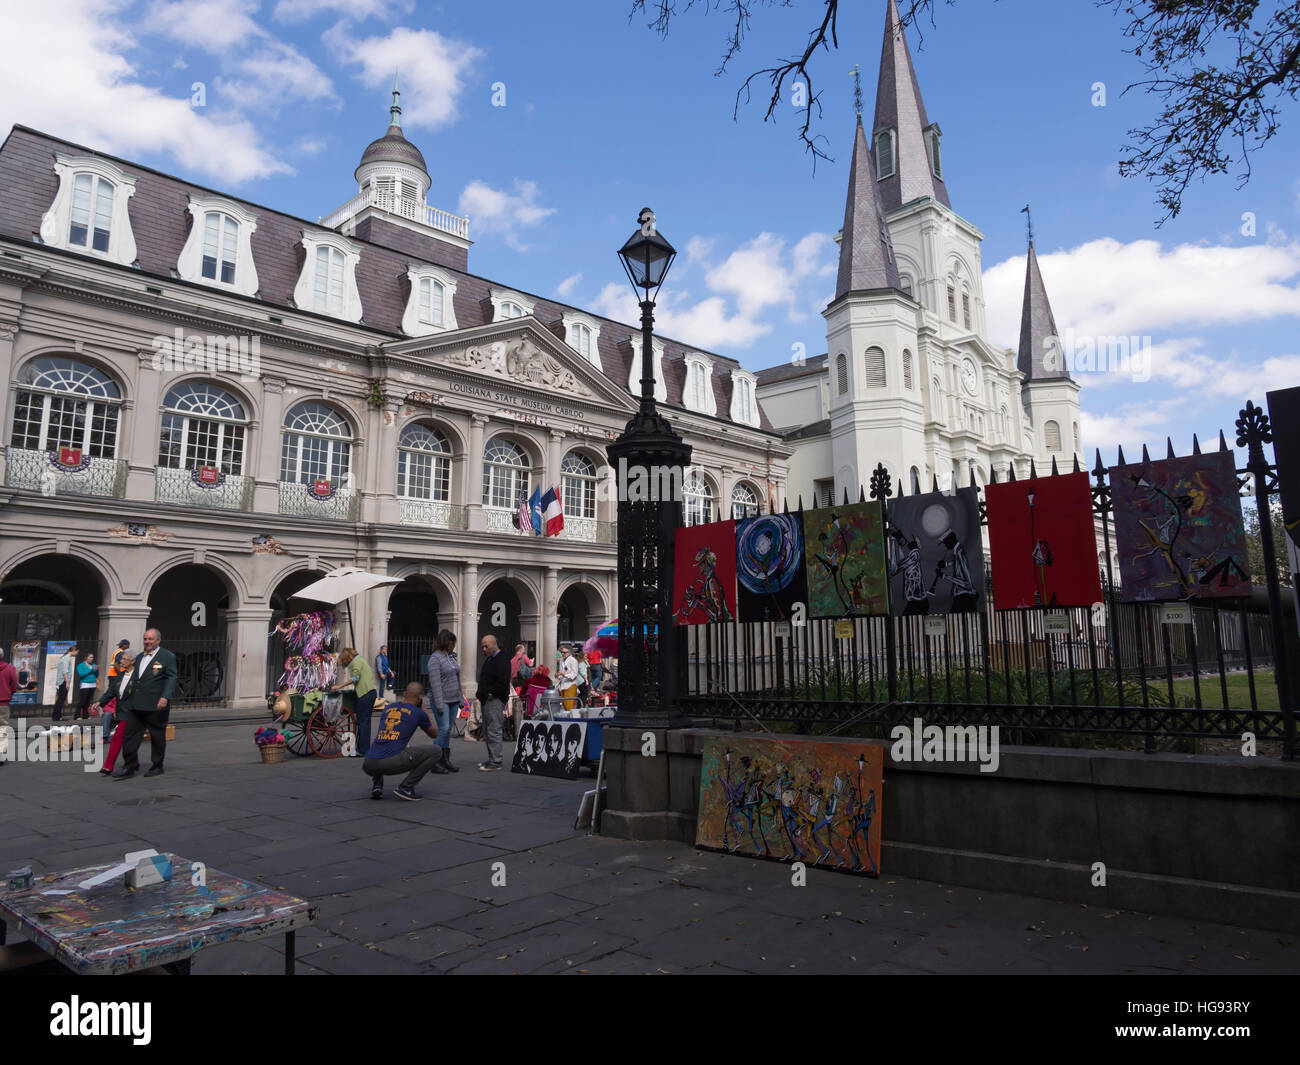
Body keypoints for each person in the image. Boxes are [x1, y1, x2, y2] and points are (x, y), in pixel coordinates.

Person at [114, 628, 178, 780]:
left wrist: (165, 697)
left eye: (150, 639)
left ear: (158, 640)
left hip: (155, 704)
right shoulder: (140, 656)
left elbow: (171, 677)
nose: (147, 642)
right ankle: (129, 766)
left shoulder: (167, 656)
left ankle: (157, 766)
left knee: (157, 736)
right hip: (136, 704)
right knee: (130, 735)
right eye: (145, 639)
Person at [363, 681, 441, 801]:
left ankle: (377, 784)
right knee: (436, 751)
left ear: (404, 694)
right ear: (419, 698)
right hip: (390, 762)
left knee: (385, 741)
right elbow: (434, 734)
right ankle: (406, 787)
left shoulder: (388, 708)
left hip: (368, 764)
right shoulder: (418, 712)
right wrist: (424, 709)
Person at [424, 629, 462, 774]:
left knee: (447, 731)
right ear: (445, 642)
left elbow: (457, 679)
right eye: (451, 643)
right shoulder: (435, 658)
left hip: (453, 698)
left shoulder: (452, 657)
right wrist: (439, 704)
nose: (453, 646)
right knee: (444, 729)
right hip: (442, 700)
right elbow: (435, 684)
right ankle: (432, 761)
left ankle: (444, 760)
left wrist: (460, 697)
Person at [91, 651, 134, 776]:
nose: (122, 662)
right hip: (122, 712)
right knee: (129, 740)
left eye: (125, 659)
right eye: (122, 659)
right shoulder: (120, 676)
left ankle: (108, 765)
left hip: (132, 713)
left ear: (132, 661)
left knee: (118, 737)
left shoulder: (137, 676)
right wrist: (99, 702)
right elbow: (111, 692)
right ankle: (133, 763)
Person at [331, 648, 378, 758]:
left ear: (348, 657)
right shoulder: (359, 660)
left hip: (365, 694)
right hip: (368, 693)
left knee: (363, 723)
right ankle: (363, 748)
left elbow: (355, 678)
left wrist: (339, 686)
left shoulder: (356, 662)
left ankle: (363, 750)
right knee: (364, 722)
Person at [475, 634, 510, 771]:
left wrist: (491, 693)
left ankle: (496, 761)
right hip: (486, 698)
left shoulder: (502, 659)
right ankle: (492, 758)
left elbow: (503, 681)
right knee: (487, 730)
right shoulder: (490, 659)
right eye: (482, 646)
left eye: (486, 646)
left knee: (493, 729)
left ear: (494, 644)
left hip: (494, 699)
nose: (483, 649)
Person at [52, 644, 78, 722]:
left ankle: (57, 716)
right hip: (63, 681)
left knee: (60, 699)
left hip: (61, 681)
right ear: (73, 651)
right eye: (77, 651)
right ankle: (56, 717)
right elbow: (65, 671)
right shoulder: (67, 658)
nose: (77, 653)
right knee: (61, 699)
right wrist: (67, 682)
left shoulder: (64, 658)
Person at [0, 650, 17, 766]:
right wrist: (8, 695)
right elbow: (14, 686)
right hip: (4, 702)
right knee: (3, 728)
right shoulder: (10, 668)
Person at [75, 652, 99, 720]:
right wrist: (91, 670)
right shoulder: (81, 665)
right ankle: (77, 715)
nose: (92, 659)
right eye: (90, 657)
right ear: (86, 658)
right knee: (82, 700)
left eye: (92, 657)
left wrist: (96, 670)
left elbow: (96, 675)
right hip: (85, 684)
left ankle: (85, 715)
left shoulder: (93, 665)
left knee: (88, 701)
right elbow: (81, 674)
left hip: (92, 684)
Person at [557, 645, 580, 711]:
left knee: (569, 706)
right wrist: (558, 675)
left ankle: (571, 720)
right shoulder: (561, 660)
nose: (562, 654)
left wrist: (564, 675)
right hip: (563, 685)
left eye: (564, 652)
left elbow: (574, 674)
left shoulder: (573, 661)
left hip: (571, 685)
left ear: (569, 653)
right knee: (564, 705)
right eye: (561, 652)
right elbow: (561, 671)